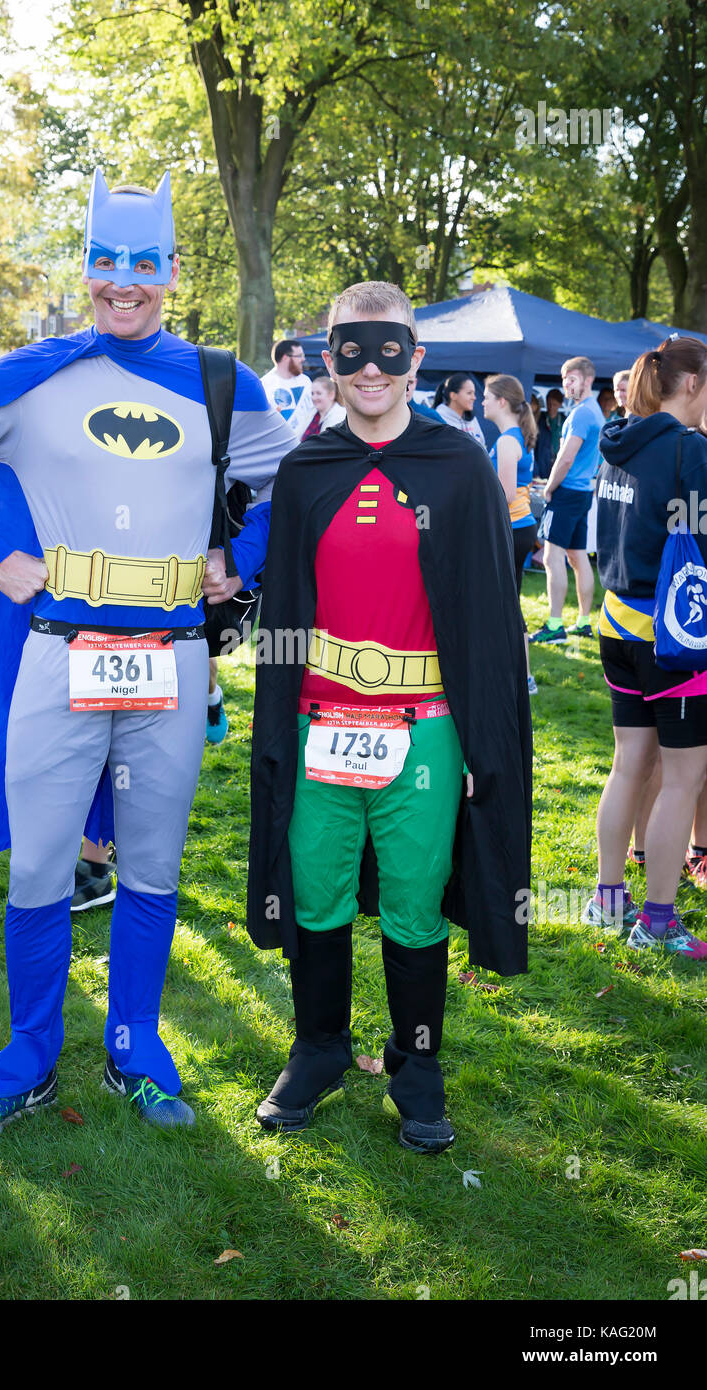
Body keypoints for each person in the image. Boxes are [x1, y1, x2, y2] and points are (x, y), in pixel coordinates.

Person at [0, 167, 295, 1140]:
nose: (125, 281)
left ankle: (134, 1046)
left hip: (171, 655)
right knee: (38, 869)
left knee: (151, 864)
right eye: (106, 262)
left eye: (143, 263)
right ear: (84, 269)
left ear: (171, 270)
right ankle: (26, 1056)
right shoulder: (35, 375)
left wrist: (235, 559)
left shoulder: (219, 382)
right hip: (59, 652)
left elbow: (288, 480)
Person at [247, 280, 531, 1154]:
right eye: (352, 351)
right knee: (318, 892)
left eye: (390, 351)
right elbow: (282, 607)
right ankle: (320, 1047)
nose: (371, 369)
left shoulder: (460, 468)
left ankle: (416, 1065)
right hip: (318, 723)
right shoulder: (306, 470)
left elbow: (489, 616)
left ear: (417, 360)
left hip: (427, 729)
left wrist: (487, 739)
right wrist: (276, 730)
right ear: (330, 359)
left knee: (413, 903)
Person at [589, 336, 707, 957]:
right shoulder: (690, 451)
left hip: (615, 624)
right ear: (691, 384)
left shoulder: (619, 437)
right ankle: (657, 921)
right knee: (685, 777)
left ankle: (608, 899)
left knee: (630, 762)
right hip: (674, 638)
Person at [530, 357, 604, 644]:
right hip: (583, 492)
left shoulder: (582, 414)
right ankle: (584, 622)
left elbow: (566, 456)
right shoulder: (594, 411)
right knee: (577, 556)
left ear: (586, 380)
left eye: (571, 379)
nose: (566, 385)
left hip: (568, 492)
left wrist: (550, 487)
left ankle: (555, 625)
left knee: (552, 557)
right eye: (564, 380)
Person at [483, 374, 539, 696]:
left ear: (502, 401)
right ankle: (519, 674)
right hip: (519, 527)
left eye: (487, 396)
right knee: (508, 602)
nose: (483, 402)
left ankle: (522, 676)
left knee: (505, 603)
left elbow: (503, 494)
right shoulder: (514, 435)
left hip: (513, 529)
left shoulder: (507, 440)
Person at [260, 340, 313, 434]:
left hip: (307, 444)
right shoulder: (265, 384)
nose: (303, 359)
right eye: (299, 355)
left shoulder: (305, 381)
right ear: (285, 358)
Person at [431, 372, 486, 449]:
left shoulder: (472, 419)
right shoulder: (438, 419)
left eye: (474, 393)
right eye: (469, 393)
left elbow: (483, 447)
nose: (474, 397)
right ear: (453, 395)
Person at [300, 374, 346, 440]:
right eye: (312, 393)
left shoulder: (340, 416)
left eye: (318, 393)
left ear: (331, 395)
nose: (314, 397)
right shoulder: (312, 412)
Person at [534, 387, 564, 478]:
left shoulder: (565, 421)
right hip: (541, 462)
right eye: (549, 404)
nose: (551, 407)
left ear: (560, 404)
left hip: (558, 462)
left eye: (554, 404)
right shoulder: (539, 418)